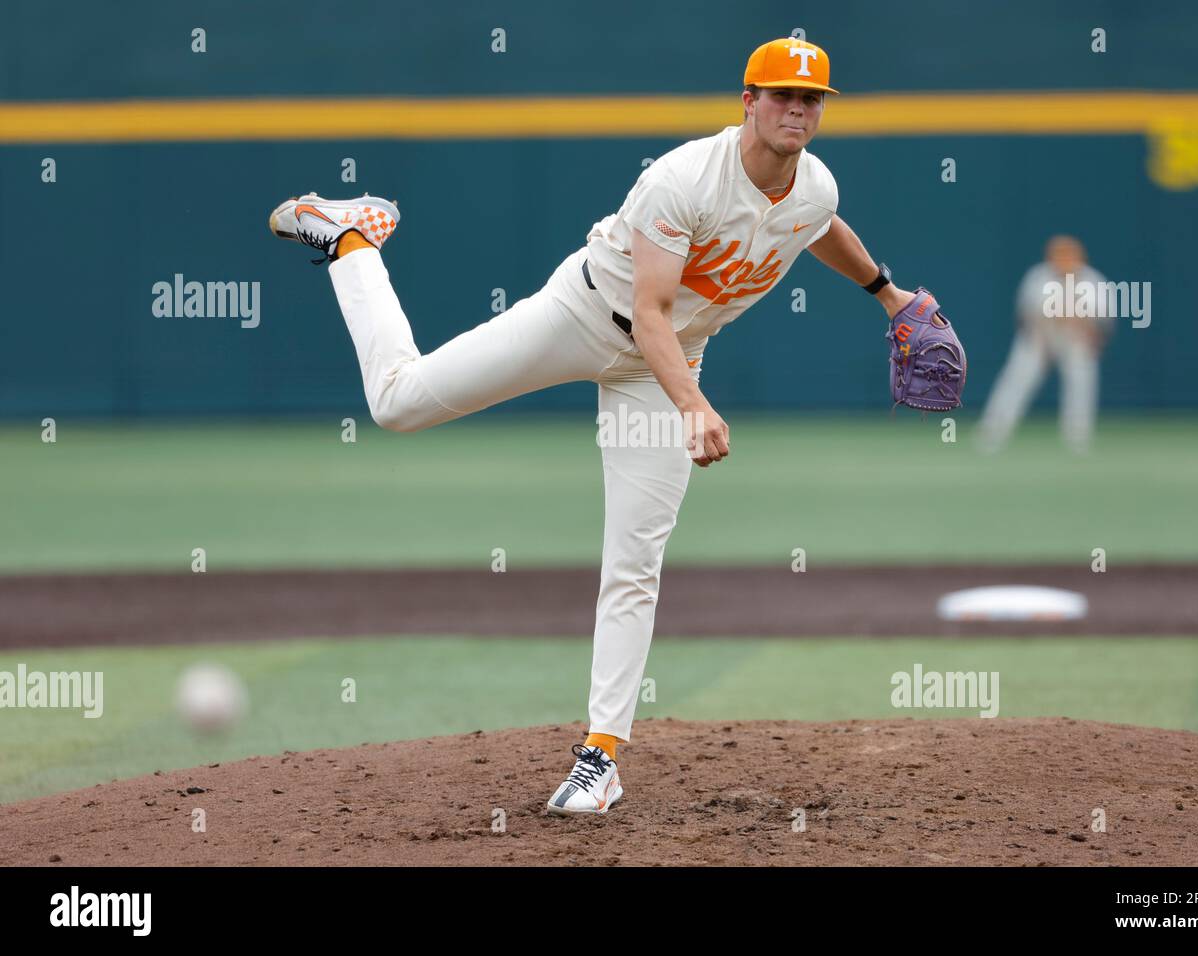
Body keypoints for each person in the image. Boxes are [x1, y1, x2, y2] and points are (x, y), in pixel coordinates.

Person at [268, 37, 926, 816]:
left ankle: (600, 757)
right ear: (747, 101)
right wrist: (695, 406)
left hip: (664, 366)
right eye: (781, 94)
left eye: (811, 98)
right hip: (584, 315)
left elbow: (819, 226)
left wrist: (890, 295)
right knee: (398, 403)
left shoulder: (814, 185)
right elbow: (649, 313)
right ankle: (350, 239)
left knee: (635, 561)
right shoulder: (682, 179)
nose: (797, 109)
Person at [978, 236, 1112, 454]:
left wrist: (1090, 339)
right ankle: (993, 432)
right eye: (1059, 255)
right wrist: (1042, 344)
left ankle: (1078, 438)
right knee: (1017, 379)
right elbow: (1027, 315)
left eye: (1070, 255)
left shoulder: (1093, 281)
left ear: (1080, 258)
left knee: (1081, 380)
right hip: (1040, 337)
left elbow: (1101, 323)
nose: (1065, 260)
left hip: (1075, 339)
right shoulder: (1038, 277)